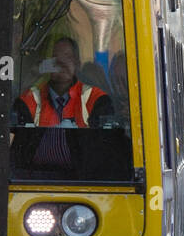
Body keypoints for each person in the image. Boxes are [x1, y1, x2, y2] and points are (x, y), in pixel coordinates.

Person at [12, 36, 115, 170]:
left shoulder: (96, 99)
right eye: (55, 57)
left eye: (67, 56)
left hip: (84, 179)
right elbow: (19, 155)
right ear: (47, 64)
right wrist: (33, 74)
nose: (61, 62)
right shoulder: (29, 100)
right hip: (35, 178)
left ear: (77, 63)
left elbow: (101, 153)